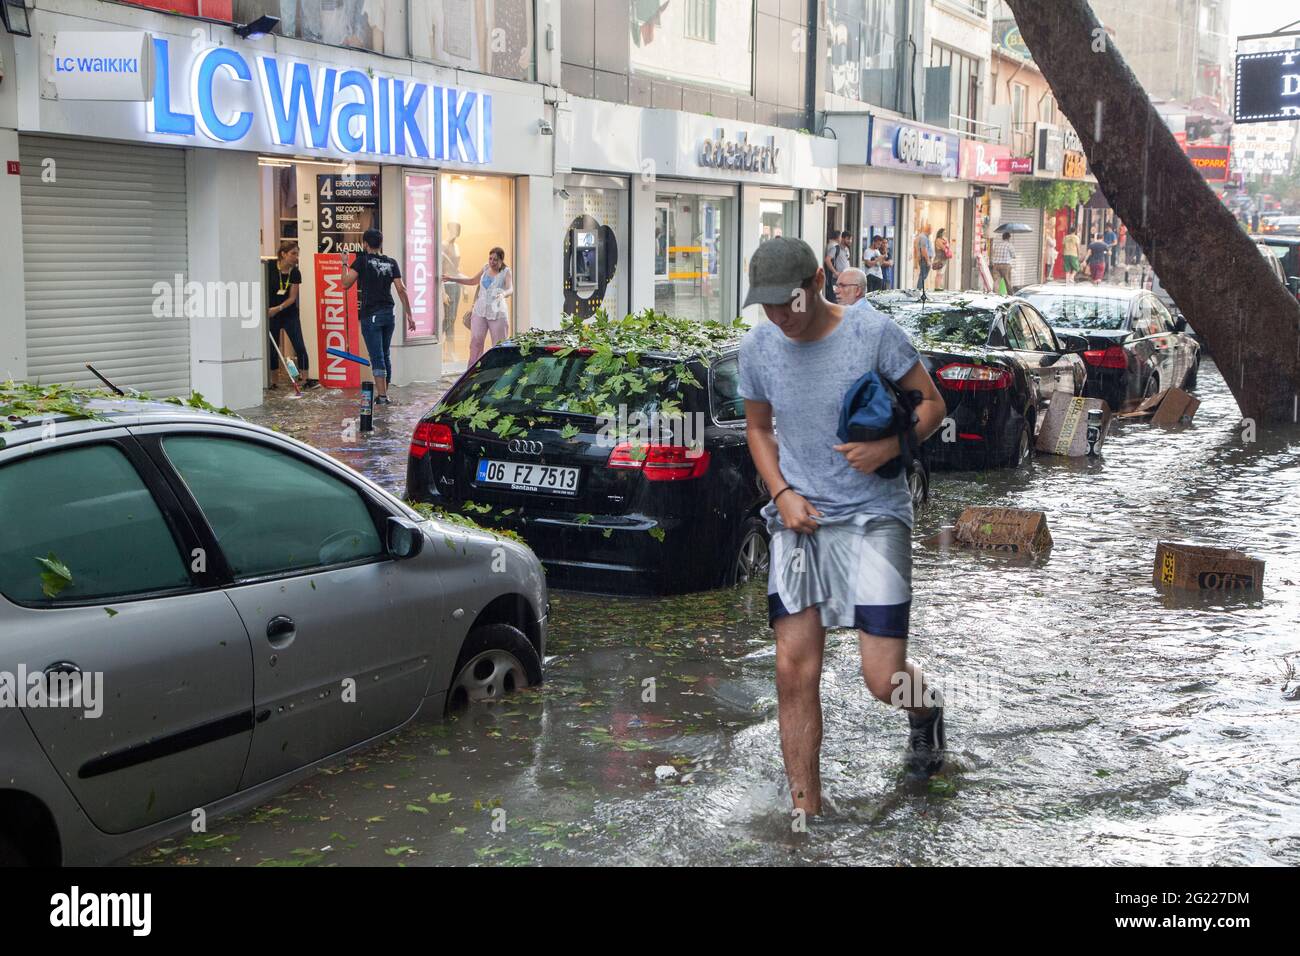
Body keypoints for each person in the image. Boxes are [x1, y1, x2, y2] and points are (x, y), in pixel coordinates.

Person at [737, 237, 948, 816]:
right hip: (800, 521)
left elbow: (931, 406)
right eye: (767, 306)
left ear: (816, 284)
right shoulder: (758, 348)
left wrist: (887, 448)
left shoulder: (871, 333)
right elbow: (758, 429)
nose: (777, 317)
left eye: (786, 303)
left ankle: (925, 709)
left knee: (882, 681)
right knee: (792, 667)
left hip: (876, 517)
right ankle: (807, 814)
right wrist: (781, 494)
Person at [342, 228, 415, 405]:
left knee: (377, 357)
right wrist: (409, 315)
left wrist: (344, 263)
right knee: (385, 354)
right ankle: (384, 393)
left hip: (371, 314)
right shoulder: (391, 263)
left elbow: (345, 283)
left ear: (365, 244)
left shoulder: (361, 262)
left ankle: (382, 397)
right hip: (388, 314)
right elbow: (401, 289)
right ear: (380, 244)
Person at [447, 246, 513, 366]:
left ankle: (498, 371)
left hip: (497, 313)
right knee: (476, 341)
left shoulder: (506, 271)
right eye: (490, 258)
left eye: (495, 259)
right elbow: (472, 281)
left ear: (501, 260)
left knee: (499, 345)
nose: (492, 262)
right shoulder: (485, 268)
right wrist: (452, 278)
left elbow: (510, 288)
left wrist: (504, 293)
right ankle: (472, 371)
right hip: (480, 310)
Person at [266, 241, 317, 389]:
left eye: (297, 254)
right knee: (272, 348)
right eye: (293, 254)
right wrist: (269, 309)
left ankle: (304, 379)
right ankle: (273, 381)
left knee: (299, 345)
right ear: (283, 254)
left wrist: (278, 308)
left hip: (288, 313)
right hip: (271, 314)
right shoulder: (269, 267)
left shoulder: (295, 272)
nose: (296, 257)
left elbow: (292, 297)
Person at [824, 228, 848, 303]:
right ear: (837, 237)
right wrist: (835, 272)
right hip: (834, 276)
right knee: (834, 298)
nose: (841, 239)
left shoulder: (833, 245)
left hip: (838, 276)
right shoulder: (834, 246)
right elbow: (828, 260)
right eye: (841, 236)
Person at [914, 224, 933, 290]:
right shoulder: (923, 237)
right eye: (931, 229)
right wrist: (928, 260)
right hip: (924, 259)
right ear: (928, 229)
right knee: (922, 275)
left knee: (923, 275)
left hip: (925, 258)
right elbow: (923, 249)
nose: (932, 231)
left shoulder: (924, 237)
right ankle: (919, 289)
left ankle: (920, 289)